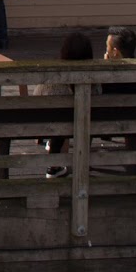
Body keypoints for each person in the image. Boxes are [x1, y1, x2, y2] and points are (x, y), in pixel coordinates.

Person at [41, 31, 96, 178]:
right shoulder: (95, 79)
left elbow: (39, 93)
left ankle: (54, 164)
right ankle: (80, 160)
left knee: (61, 117)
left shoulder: (52, 79)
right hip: (86, 122)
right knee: (76, 116)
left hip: (53, 124)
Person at [102, 27, 136, 97]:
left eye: (107, 46)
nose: (106, 50)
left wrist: (105, 67)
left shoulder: (105, 80)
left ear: (115, 52)